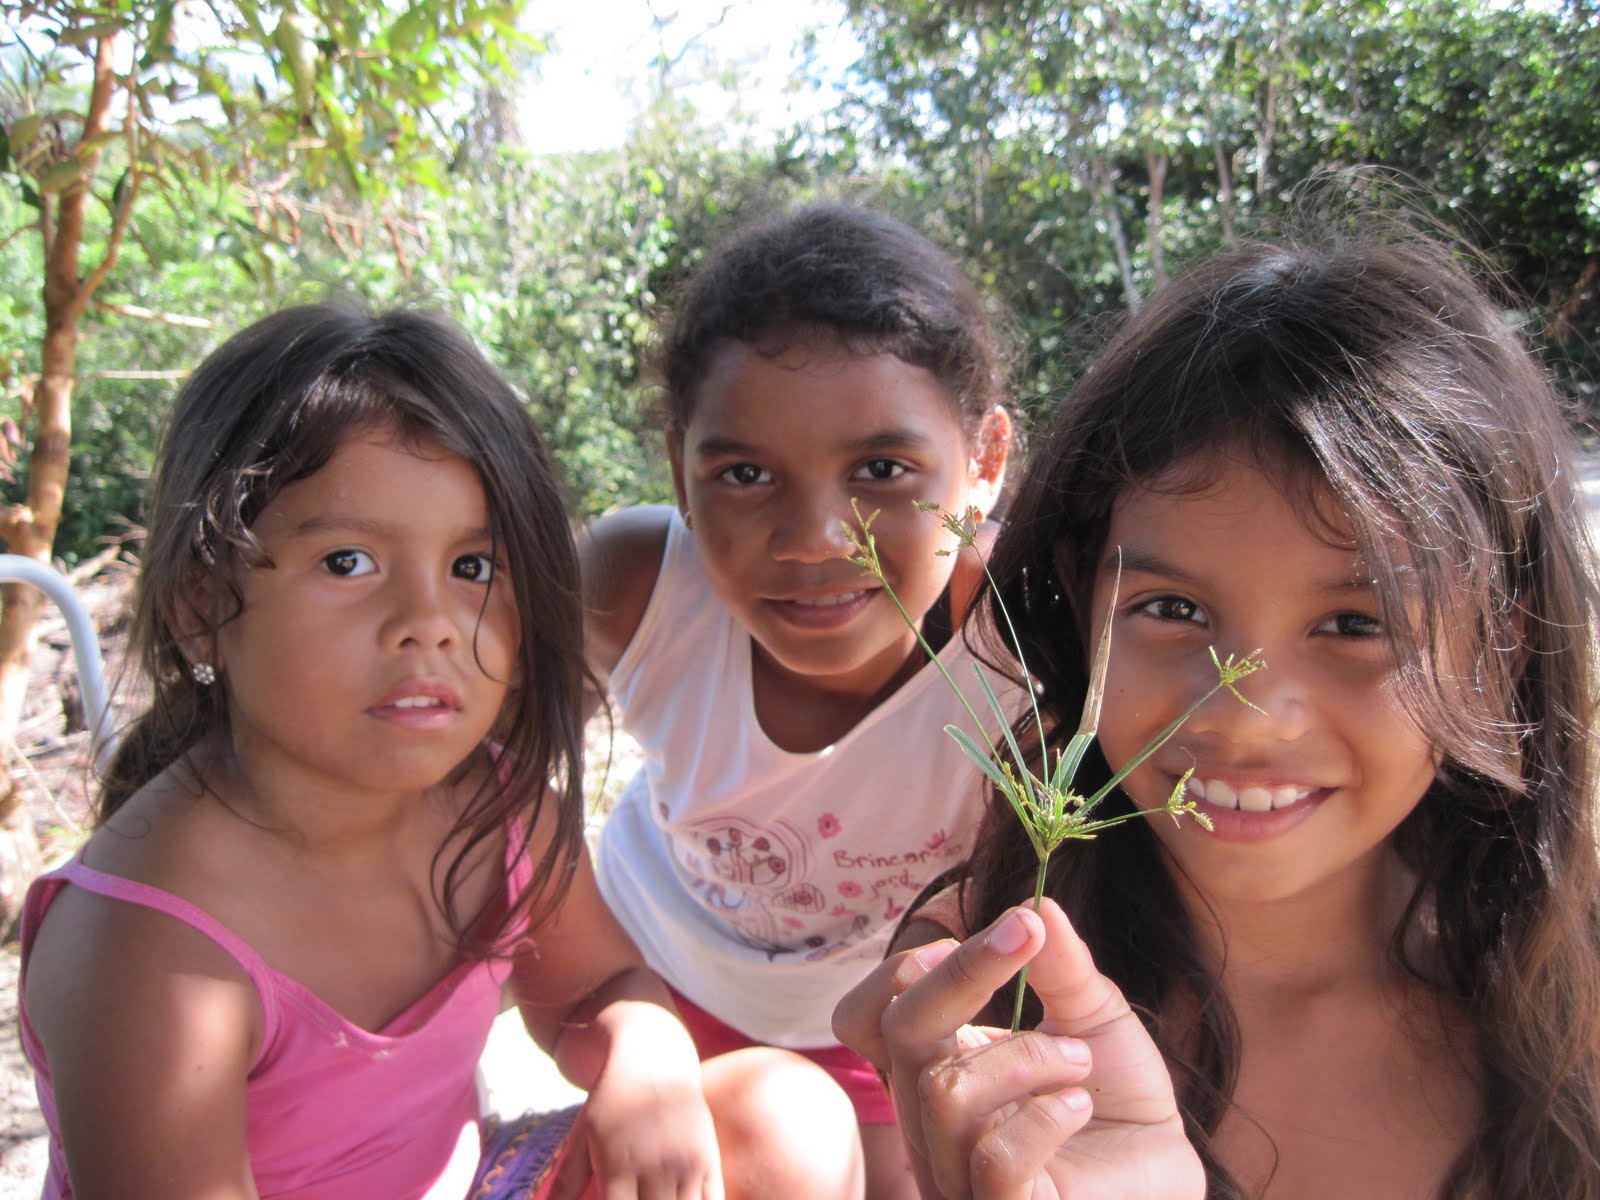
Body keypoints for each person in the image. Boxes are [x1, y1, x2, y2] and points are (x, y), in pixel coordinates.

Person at [19, 306, 862, 1200]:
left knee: (786, 1122)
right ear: (200, 602)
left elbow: (598, 985)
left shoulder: (491, 807)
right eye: (347, 563)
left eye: (472, 567)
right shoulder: (146, 945)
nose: (428, 624)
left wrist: (644, 1048)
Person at [835, 224, 1600, 1198]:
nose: (1247, 718)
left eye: (1357, 622)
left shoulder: (1574, 1025)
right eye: (1172, 610)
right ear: (1079, 598)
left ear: (1505, 645)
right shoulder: (982, 977)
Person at [582, 203, 1024, 1196]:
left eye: (880, 469)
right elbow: (482, 788)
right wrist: (611, 1012)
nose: (816, 537)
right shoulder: (637, 590)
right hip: (643, 990)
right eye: (744, 473)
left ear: (985, 462)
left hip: (873, 1022)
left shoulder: (1023, 640)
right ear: (679, 475)